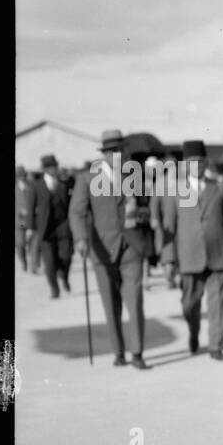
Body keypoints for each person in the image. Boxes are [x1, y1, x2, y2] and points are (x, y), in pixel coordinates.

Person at [68, 129, 154, 369]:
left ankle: (137, 353)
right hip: (102, 250)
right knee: (110, 303)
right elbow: (77, 212)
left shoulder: (134, 175)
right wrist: (81, 239)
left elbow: (148, 207)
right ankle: (119, 352)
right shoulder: (87, 178)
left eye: (120, 150)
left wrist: (142, 214)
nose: (116, 155)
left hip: (131, 247)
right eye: (111, 151)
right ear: (104, 153)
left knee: (135, 300)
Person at [155, 140, 223, 360]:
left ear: (206, 163)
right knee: (189, 304)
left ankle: (216, 345)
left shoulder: (220, 188)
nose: (196, 165)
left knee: (219, 303)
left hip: (219, 255)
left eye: (200, 161)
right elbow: (169, 228)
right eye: (191, 162)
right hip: (189, 257)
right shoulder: (176, 191)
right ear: (184, 165)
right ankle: (194, 331)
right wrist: (167, 260)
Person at [25, 154, 74, 298]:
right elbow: (30, 206)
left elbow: (72, 203)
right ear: (45, 169)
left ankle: (64, 275)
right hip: (45, 228)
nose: (53, 169)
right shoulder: (36, 185)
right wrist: (29, 228)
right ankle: (55, 289)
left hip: (63, 225)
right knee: (49, 262)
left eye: (54, 166)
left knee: (66, 256)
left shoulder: (64, 182)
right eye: (50, 167)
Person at [15, 165, 34, 273]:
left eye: (23, 175)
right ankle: (23, 262)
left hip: (30, 220)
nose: (22, 177)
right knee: (20, 243)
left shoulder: (31, 186)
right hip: (19, 222)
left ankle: (34, 263)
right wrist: (19, 212)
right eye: (20, 176)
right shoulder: (15, 189)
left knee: (32, 243)